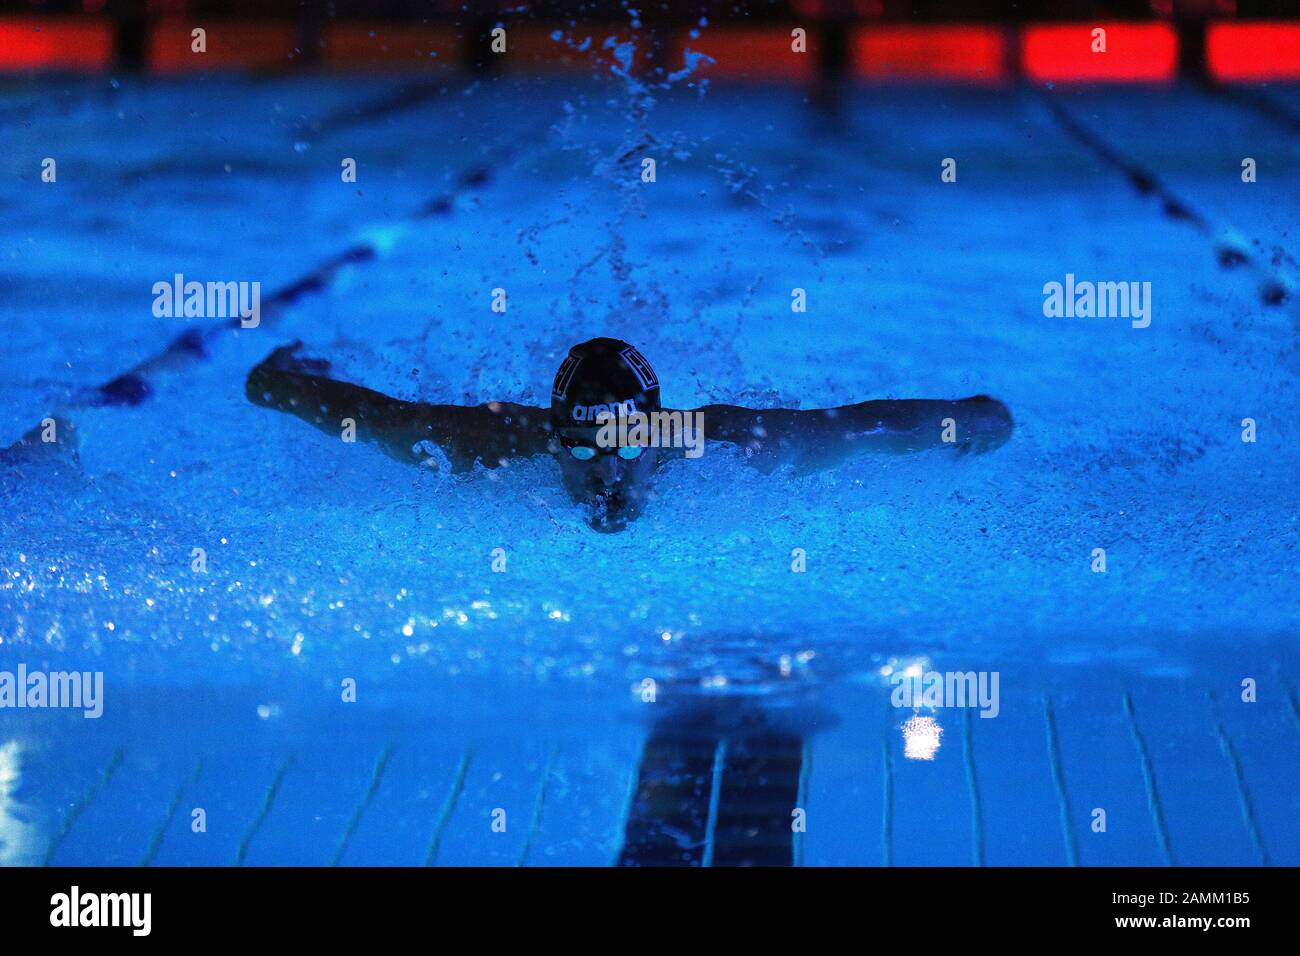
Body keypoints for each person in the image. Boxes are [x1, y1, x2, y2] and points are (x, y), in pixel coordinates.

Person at [245, 337, 1013, 532]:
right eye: (582, 448)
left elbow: (860, 427)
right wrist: (277, 377)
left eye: (626, 447)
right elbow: (374, 415)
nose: (605, 475)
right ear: (555, 435)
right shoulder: (486, 443)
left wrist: (976, 418)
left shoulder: (729, 442)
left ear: (660, 431)